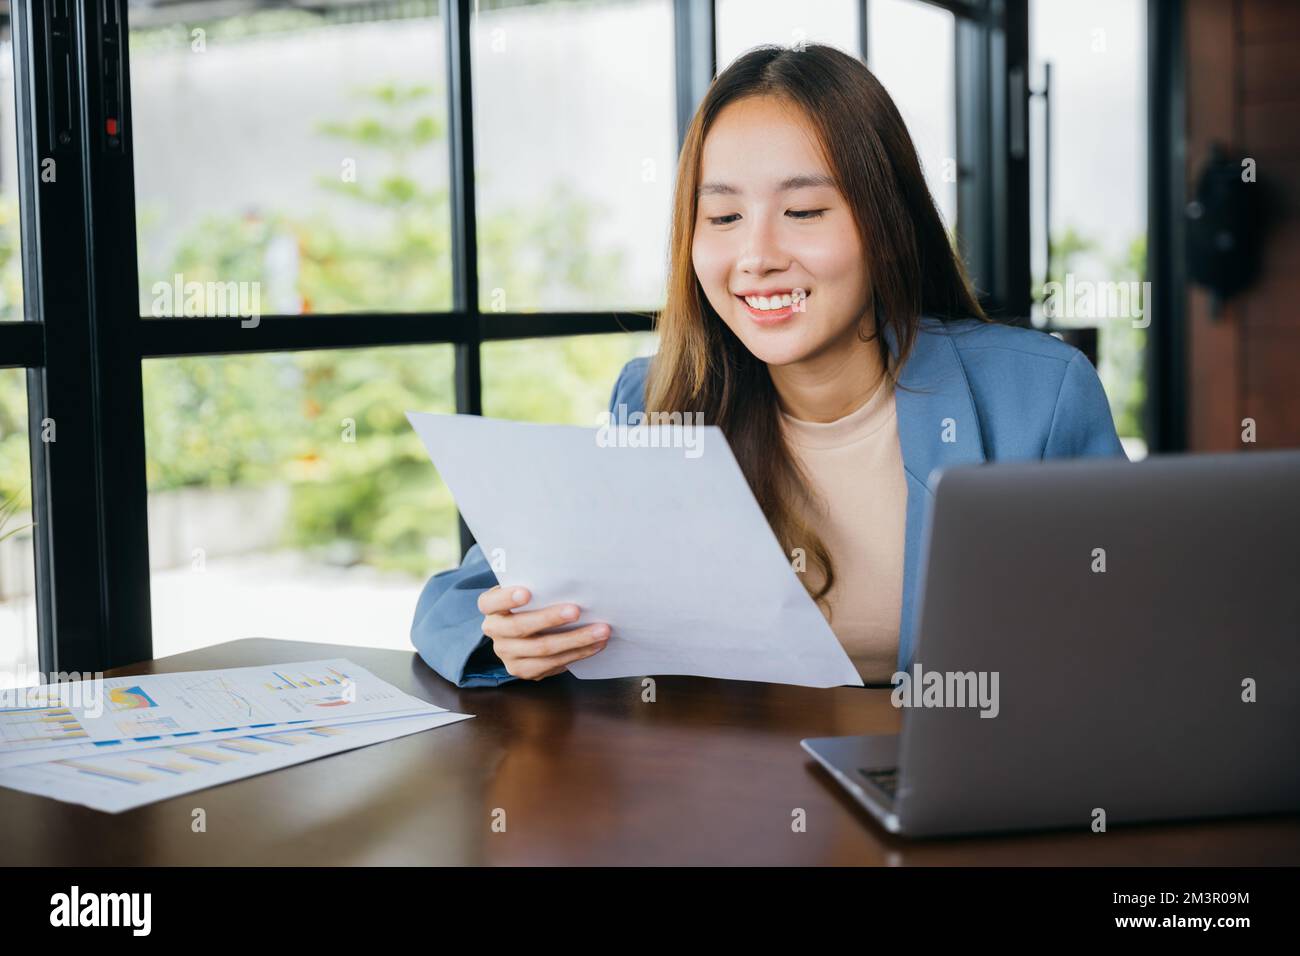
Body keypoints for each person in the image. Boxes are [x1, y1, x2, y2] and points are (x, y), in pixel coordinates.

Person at [411, 43, 1126, 688]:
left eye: (805, 211)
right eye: (722, 219)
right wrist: (509, 636)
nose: (756, 256)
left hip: (956, 785)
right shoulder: (662, 398)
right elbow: (455, 601)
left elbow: (1137, 626)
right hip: (732, 794)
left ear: (887, 224)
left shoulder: (1038, 394)